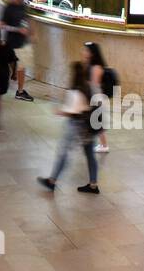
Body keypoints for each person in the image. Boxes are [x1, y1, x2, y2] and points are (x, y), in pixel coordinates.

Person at [37, 60, 100, 194]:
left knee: (64, 153)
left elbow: (73, 111)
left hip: (77, 126)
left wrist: (59, 111)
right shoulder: (88, 86)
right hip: (90, 126)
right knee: (90, 155)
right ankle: (93, 184)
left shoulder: (76, 91)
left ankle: (52, 181)